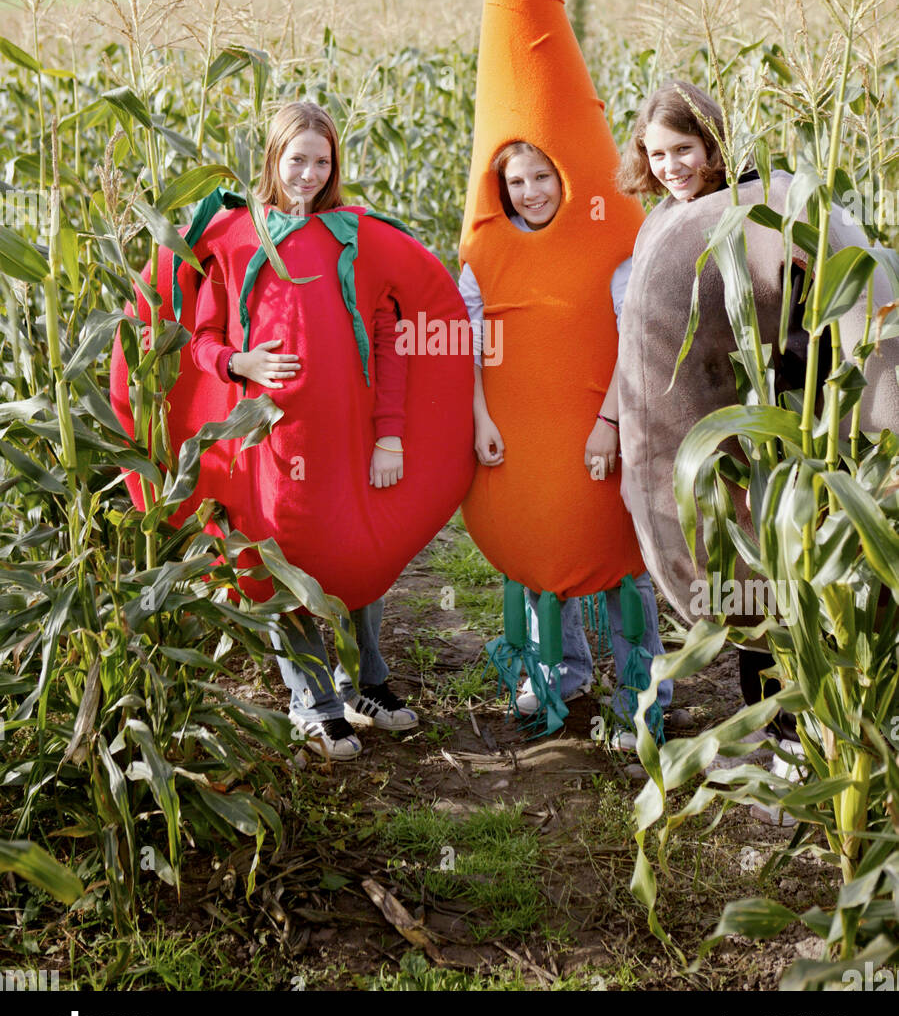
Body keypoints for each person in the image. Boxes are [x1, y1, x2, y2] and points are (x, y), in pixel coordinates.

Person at [190, 101, 417, 761]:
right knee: (289, 564)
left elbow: (387, 333)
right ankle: (311, 702)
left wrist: (390, 434)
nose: (310, 173)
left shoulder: (357, 235)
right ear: (273, 159)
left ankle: (365, 683)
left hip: (349, 438)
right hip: (273, 445)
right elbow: (201, 337)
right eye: (297, 160)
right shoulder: (235, 236)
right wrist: (240, 362)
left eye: (322, 162)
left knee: (361, 554)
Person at [617, 78, 810, 764]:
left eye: (684, 150)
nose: (671, 167)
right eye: (657, 153)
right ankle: (764, 721)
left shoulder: (756, 213)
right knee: (733, 572)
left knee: (774, 572)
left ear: (714, 146)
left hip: (768, 430)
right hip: (699, 435)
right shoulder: (660, 226)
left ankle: (795, 734)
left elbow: (800, 314)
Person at [459, 139, 673, 751]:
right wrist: (479, 419)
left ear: (565, 176)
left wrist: (609, 422)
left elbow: (632, 336)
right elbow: (468, 341)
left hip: (602, 420)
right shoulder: (486, 251)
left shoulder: (610, 242)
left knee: (615, 549)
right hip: (520, 428)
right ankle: (561, 670)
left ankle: (642, 688)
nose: (531, 193)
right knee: (540, 540)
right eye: (517, 183)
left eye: (542, 177)